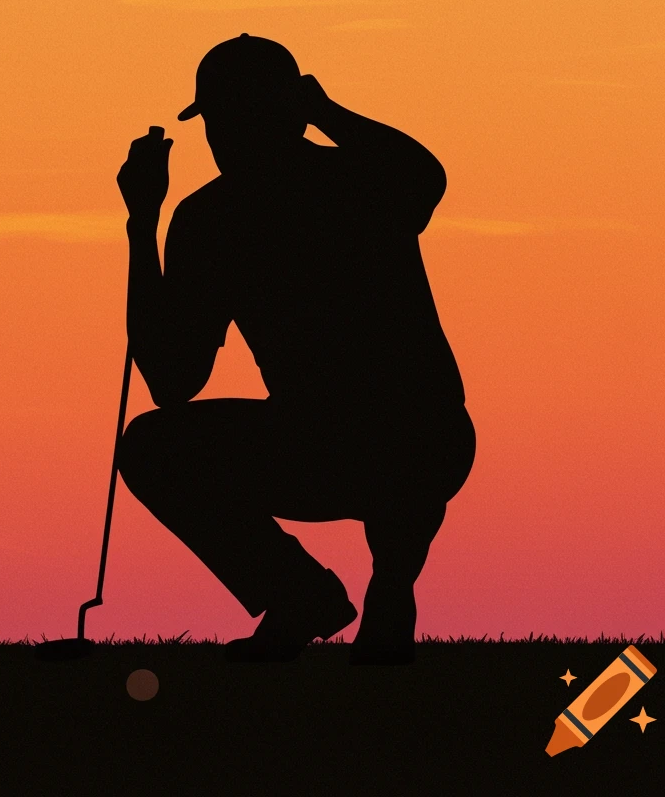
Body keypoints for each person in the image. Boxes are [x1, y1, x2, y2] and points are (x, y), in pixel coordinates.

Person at [115, 34, 476, 663]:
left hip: (411, 437)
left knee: (400, 426)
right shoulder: (217, 217)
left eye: (237, 117)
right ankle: (304, 594)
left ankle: (388, 588)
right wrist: (142, 224)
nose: (223, 137)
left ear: (282, 112)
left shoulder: (355, 184)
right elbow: (172, 379)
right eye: (217, 122)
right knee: (152, 446)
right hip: (326, 440)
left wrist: (325, 111)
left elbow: (426, 176)